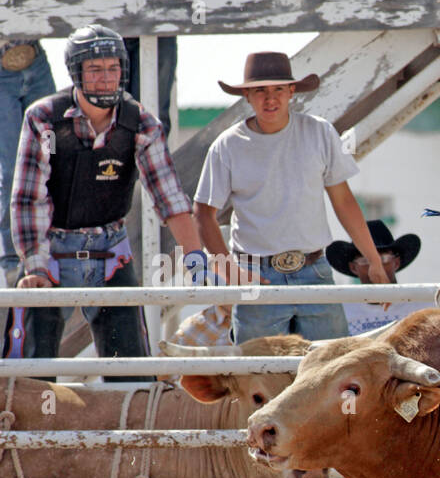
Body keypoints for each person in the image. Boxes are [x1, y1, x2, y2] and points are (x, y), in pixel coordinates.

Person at [8, 25, 203, 379]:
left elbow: (169, 196)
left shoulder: (141, 122)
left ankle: (124, 432)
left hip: (111, 250)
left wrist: (195, 256)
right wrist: (35, 265)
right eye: (95, 69)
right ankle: (24, 432)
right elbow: (28, 198)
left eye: (113, 68)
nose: (105, 79)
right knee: (30, 372)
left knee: (131, 370)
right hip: (50, 250)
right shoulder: (45, 119)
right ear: (77, 73)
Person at [194, 51, 389, 343]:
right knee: (257, 377)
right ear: (247, 95)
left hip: (314, 268)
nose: (270, 99)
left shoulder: (319, 132)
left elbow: (344, 201)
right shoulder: (228, 146)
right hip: (256, 273)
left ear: (291, 91)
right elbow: (203, 212)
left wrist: (374, 260)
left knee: (332, 368)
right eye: (260, 90)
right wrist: (227, 268)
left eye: (278, 89)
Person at [0, 36, 56, 289]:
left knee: (53, 156)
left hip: (34, 56)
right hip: (9, 61)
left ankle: (53, 245)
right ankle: (13, 259)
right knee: (12, 168)